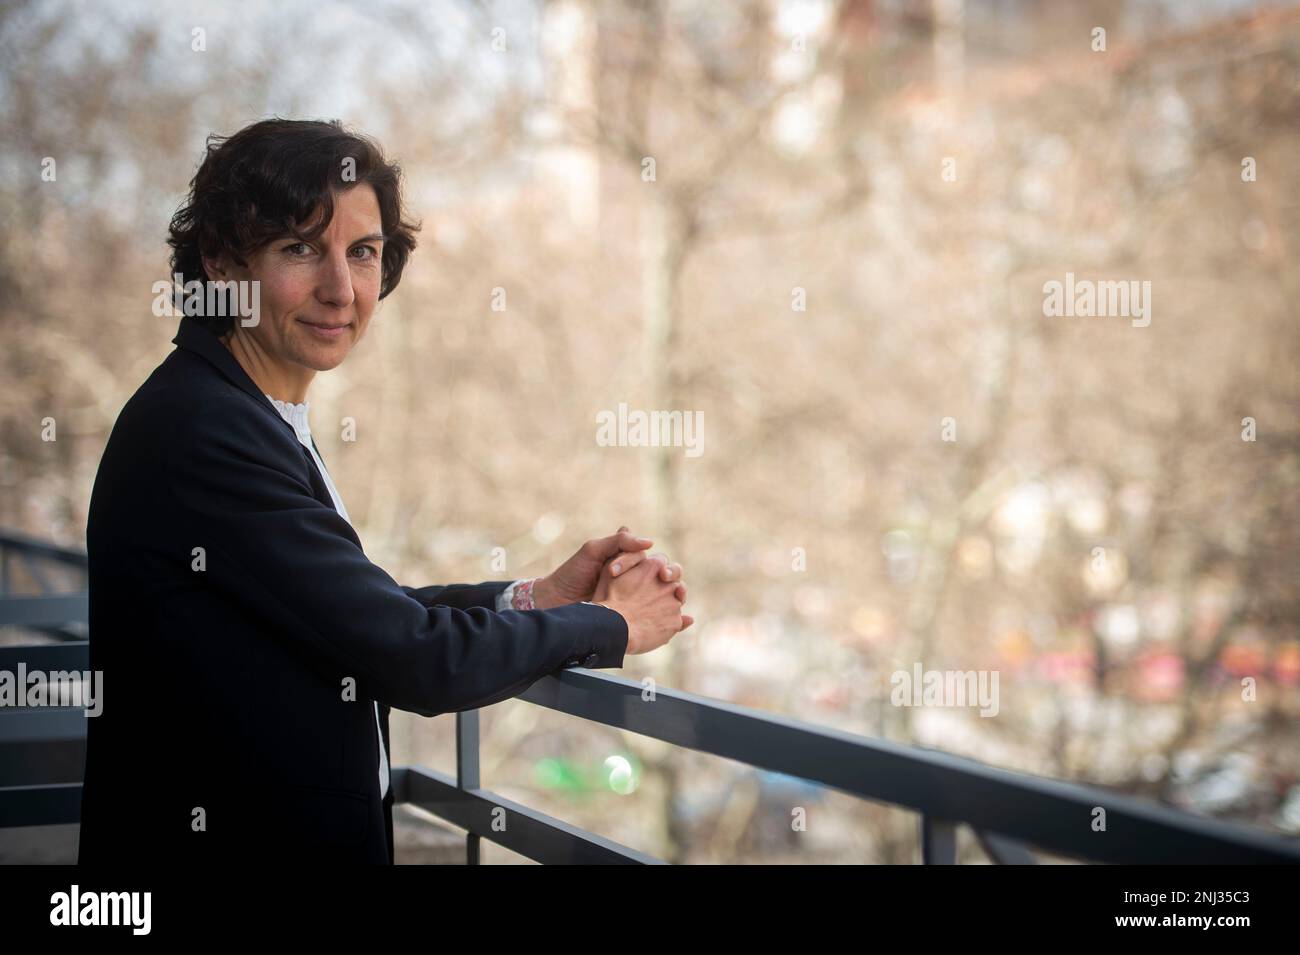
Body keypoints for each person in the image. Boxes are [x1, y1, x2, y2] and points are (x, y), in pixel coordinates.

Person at [78, 118, 692, 864]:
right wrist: (610, 625)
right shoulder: (203, 429)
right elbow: (411, 657)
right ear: (218, 260)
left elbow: (351, 612)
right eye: (300, 248)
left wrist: (536, 598)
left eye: (362, 252)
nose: (340, 288)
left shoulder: (247, 409)